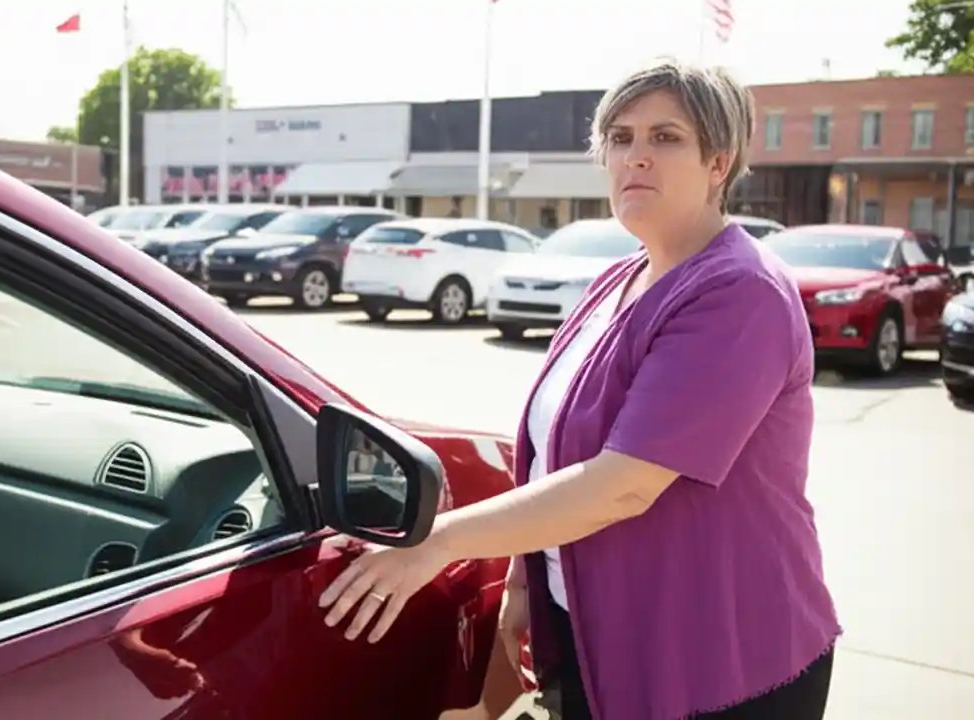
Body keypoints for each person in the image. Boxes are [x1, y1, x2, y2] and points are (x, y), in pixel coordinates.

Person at [318, 60, 840, 720]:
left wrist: (440, 541)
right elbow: (554, 455)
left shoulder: (738, 293)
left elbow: (622, 483)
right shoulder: (619, 280)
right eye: (620, 139)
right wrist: (523, 584)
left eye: (666, 137)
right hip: (597, 634)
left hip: (721, 659)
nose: (636, 157)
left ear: (719, 162)